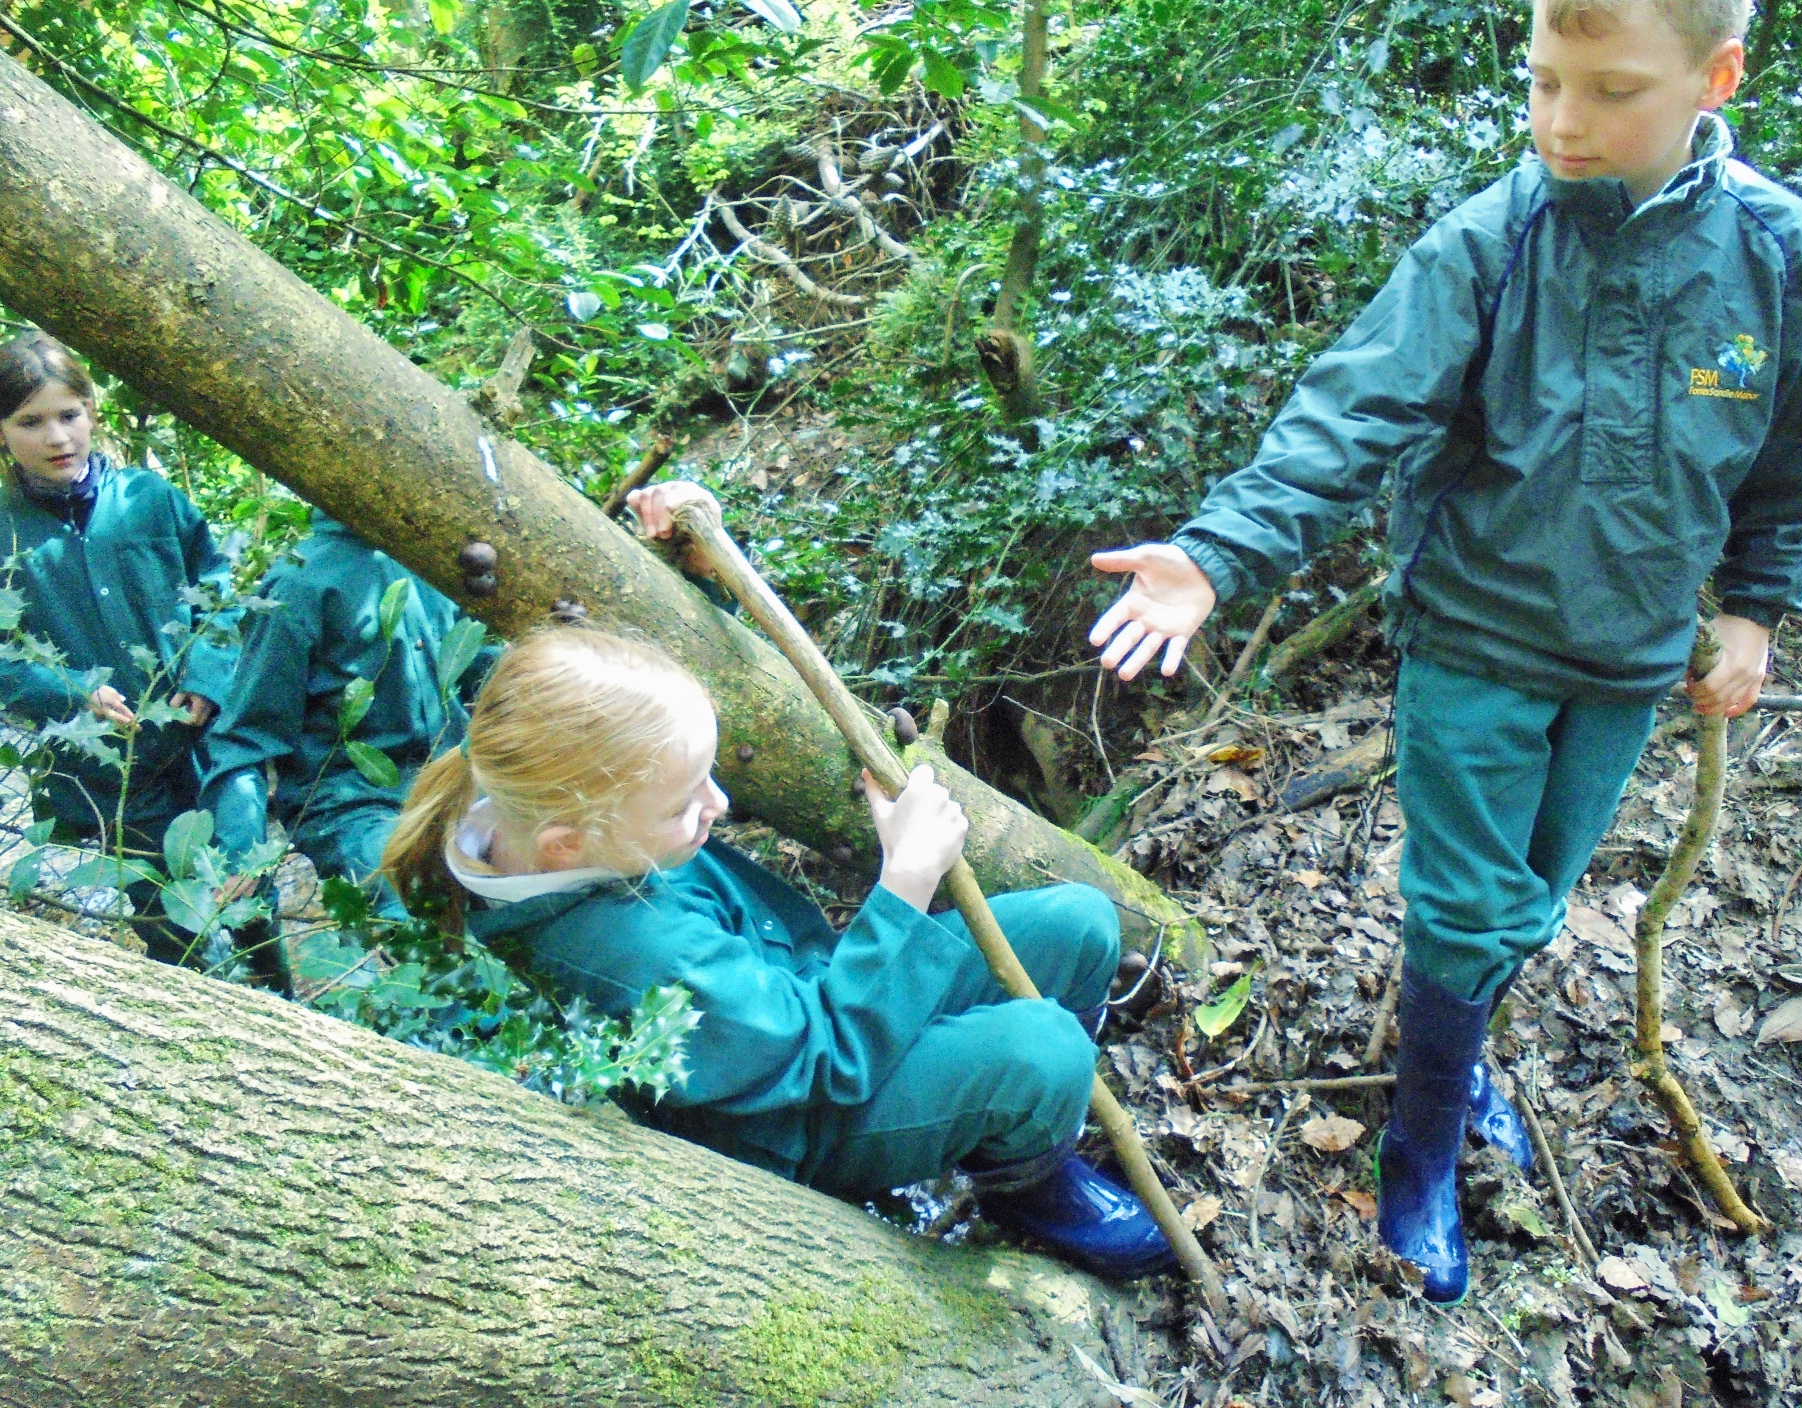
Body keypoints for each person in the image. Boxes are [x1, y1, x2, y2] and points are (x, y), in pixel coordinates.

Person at [1087, 0, 1802, 1304]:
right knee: (1466, 904)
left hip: (1628, 661)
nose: (1563, 121)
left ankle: (1463, 1059)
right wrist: (1220, 554)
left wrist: (1752, 611)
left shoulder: (1784, 256)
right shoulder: (1491, 240)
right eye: (1542, 82)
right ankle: (1423, 1146)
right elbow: (1354, 408)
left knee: (1539, 892)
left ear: (1715, 81)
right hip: (1474, 641)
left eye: (1612, 92)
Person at [380, 483, 1173, 1280]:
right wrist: (903, 884)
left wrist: (685, 564)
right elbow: (821, 1063)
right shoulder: (629, 948)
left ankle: (1008, 1108)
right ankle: (1027, 1174)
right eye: (685, 804)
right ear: (570, 846)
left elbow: (621, 709)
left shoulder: (548, 800)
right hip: (807, 1111)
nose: (718, 806)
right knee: (1043, 1050)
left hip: (811, 1000)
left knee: (1079, 922)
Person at [0, 332, 239, 963]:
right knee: (173, 925)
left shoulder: (148, 499)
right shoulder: (5, 534)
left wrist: (208, 671)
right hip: (112, 769)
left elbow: (217, 585)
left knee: (244, 896)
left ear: (92, 411)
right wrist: (72, 691)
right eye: (31, 422)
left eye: (69, 415)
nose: (57, 438)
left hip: (202, 740)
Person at [200, 508, 499, 932]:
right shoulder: (300, 581)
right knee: (421, 914)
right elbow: (248, 732)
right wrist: (239, 850)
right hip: (350, 804)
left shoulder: (431, 559)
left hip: (455, 778)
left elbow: (470, 663)